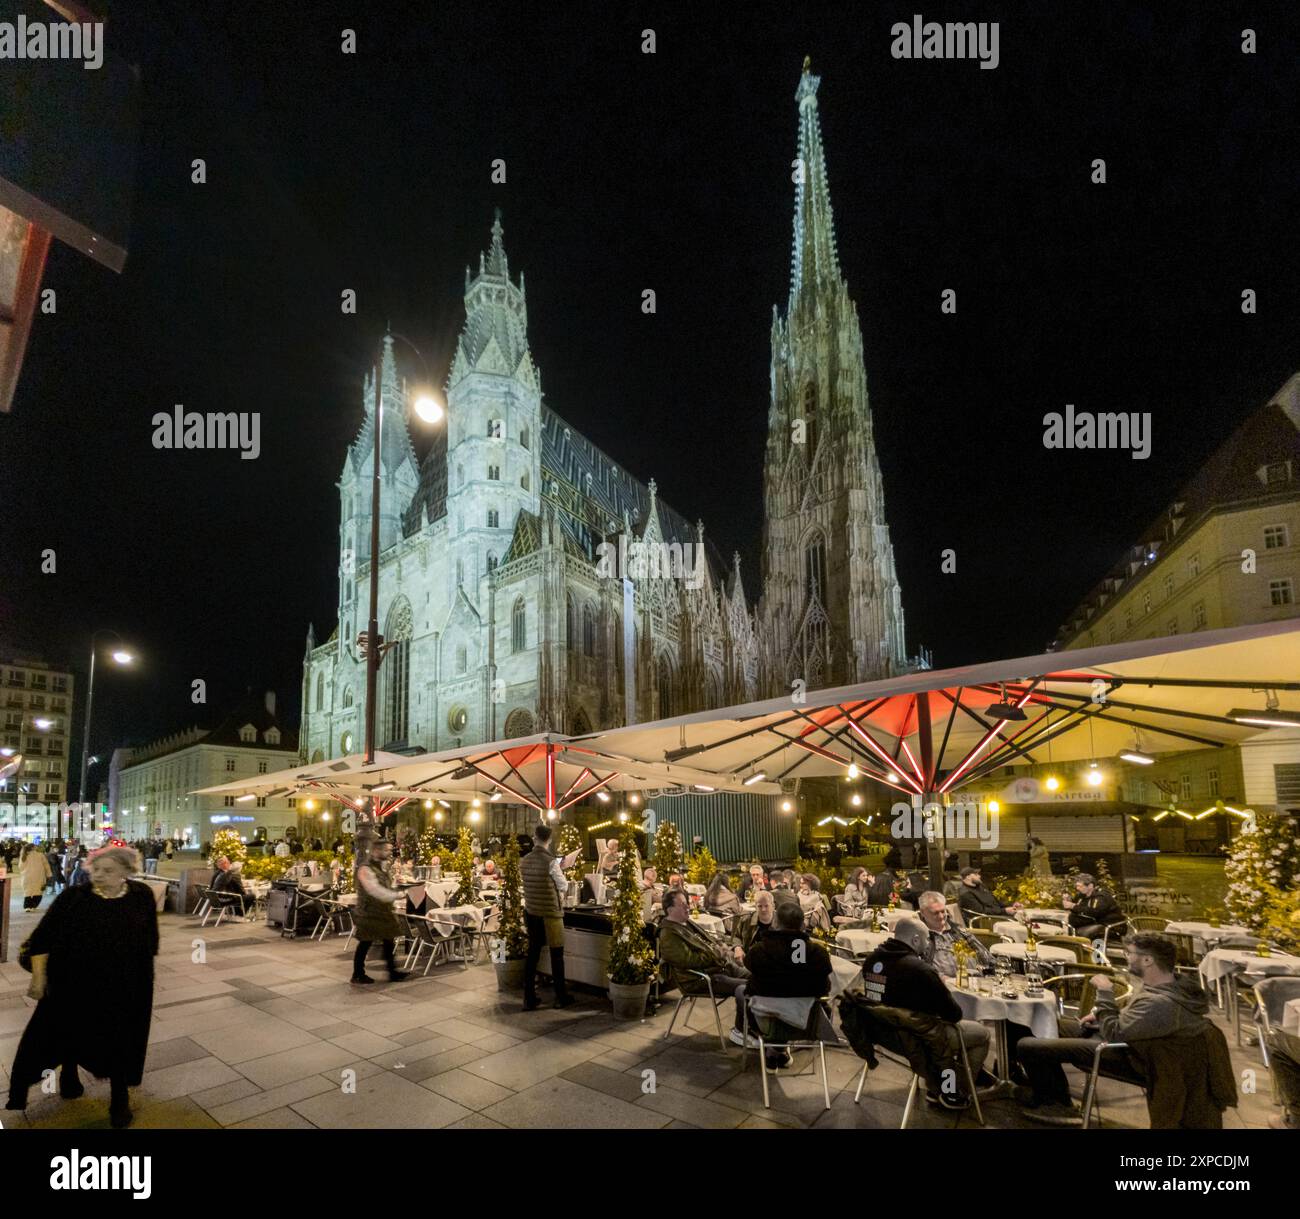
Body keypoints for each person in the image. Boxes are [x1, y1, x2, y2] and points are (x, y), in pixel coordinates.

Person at [5, 846, 158, 1128]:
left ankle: (119, 1099)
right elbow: (41, 939)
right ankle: (69, 1074)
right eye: (95, 869)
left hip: (124, 985)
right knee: (68, 1030)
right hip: (74, 984)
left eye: (108, 871)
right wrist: (39, 980)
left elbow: (149, 944)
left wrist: (144, 982)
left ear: (126, 872)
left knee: (120, 1040)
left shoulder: (142, 896)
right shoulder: (74, 898)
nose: (98, 876)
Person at [1015, 933, 1214, 1125]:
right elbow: (1139, 1021)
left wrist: (1104, 993)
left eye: (1130, 953)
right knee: (1033, 1023)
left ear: (1147, 960)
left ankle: (1055, 1105)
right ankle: (1053, 1094)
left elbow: (1115, 1033)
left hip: (1126, 1054)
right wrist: (1103, 1016)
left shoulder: (1160, 1002)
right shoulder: (1170, 985)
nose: (1126, 958)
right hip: (1127, 1038)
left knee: (1027, 1045)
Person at [858, 916, 991, 1109]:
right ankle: (951, 1091)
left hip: (880, 1032)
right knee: (981, 1034)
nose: (929, 943)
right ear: (915, 940)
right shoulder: (920, 970)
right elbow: (953, 1015)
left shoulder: (871, 960)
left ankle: (941, 1084)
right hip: (915, 1038)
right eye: (927, 939)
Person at [745, 900, 833, 1069]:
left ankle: (772, 1050)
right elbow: (825, 988)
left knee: (744, 992)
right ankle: (778, 1051)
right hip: (807, 1024)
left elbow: (751, 974)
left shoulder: (758, 951)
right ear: (802, 924)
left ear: (775, 922)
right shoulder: (817, 953)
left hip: (766, 1023)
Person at [659, 887, 753, 1044]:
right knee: (749, 987)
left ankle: (765, 1027)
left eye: (687, 902)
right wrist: (717, 953)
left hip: (720, 967)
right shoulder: (668, 935)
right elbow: (689, 961)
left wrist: (722, 946)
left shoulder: (686, 923)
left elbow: (709, 940)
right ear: (670, 909)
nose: (688, 906)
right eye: (682, 904)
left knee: (760, 978)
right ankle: (740, 1030)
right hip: (700, 979)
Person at [520, 823, 573, 1011]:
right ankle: (561, 996)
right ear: (549, 840)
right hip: (551, 914)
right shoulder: (551, 861)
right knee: (556, 955)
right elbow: (564, 885)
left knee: (533, 955)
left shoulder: (524, 860)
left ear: (535, 837)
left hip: (532, 911)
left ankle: (529, 998)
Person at [350, 839, 410, 986]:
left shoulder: (381, 866)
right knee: (365, 942)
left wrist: (395, 885)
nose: (390, 853)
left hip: (382, 912)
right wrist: (397, 895)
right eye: (387, 850)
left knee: (389, 940)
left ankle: (392, 972)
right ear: (376, 850)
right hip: (369, 913)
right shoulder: (365, 869)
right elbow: (375, 891)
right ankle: (357, 974)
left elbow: (385, 885)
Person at [916, 890, 995, 976]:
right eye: (935, 913)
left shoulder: (959, 931)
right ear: (923, 912)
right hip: (940, 985)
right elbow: (918, 967)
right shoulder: (919, 936)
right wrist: (940, 977)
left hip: (974, 979)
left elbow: (986, 956)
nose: (941, 916)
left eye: (943, 911)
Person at [1062, 872, 1125, 941]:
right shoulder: (1082, 896)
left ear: (1090, 886)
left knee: (1071, 922)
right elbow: (1079, 909)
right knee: (1066, 920)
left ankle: (1083, 947)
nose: (1077, 888)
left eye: (1080, 886)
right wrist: (1069, 901)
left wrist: (1073, 906)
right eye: (1077, 886)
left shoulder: (1101, 896)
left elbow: (1095, 912)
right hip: (1092, 921)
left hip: (1107, 924)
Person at [733, 890, 778, 957]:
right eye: (760, 906)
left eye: (766, 906)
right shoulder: (746, 920)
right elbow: (736, 936)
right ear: (755, 907)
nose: (763, 909)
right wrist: (737, 948)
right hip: (749, 959)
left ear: (773, 906)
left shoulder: (782, 922)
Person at [20, 843, 52, 910]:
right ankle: (34, 906)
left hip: (27, 877)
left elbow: (20, 867)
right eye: (35, 846)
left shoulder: (24, 855)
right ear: (33, 848)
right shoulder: (40, 855)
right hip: (39, 876)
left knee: (27, 892)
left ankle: (27, 907)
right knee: (38, 891)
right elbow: (46, 866)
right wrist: (49, 874)